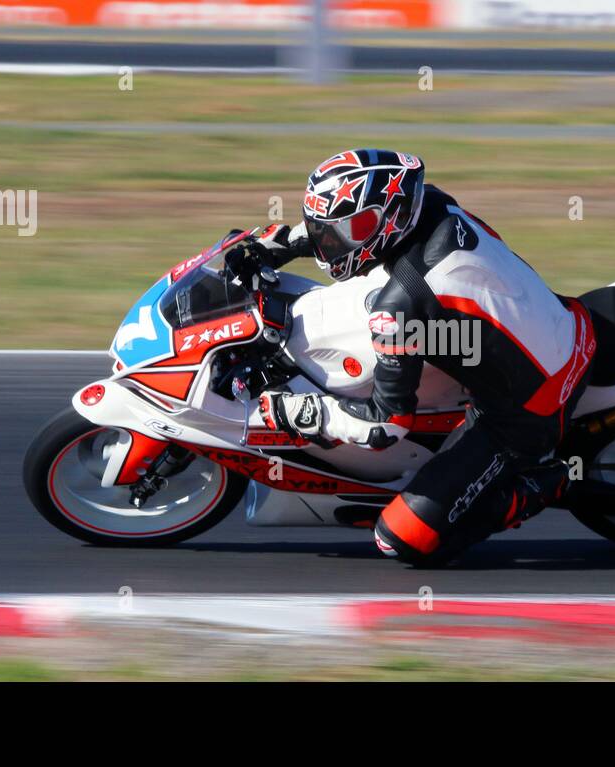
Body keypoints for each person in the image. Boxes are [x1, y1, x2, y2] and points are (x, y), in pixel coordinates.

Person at [252, 148, 596, 566]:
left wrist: (309, 414)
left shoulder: (400, 307)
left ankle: (543, 487)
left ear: (389, 218)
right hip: (561, 319)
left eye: (346, 230)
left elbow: (386, 425)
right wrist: (288, 242)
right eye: (324, 231)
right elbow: (365, 240)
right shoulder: (431, 203)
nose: (330, 245)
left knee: (400, 540)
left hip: (532, 406)